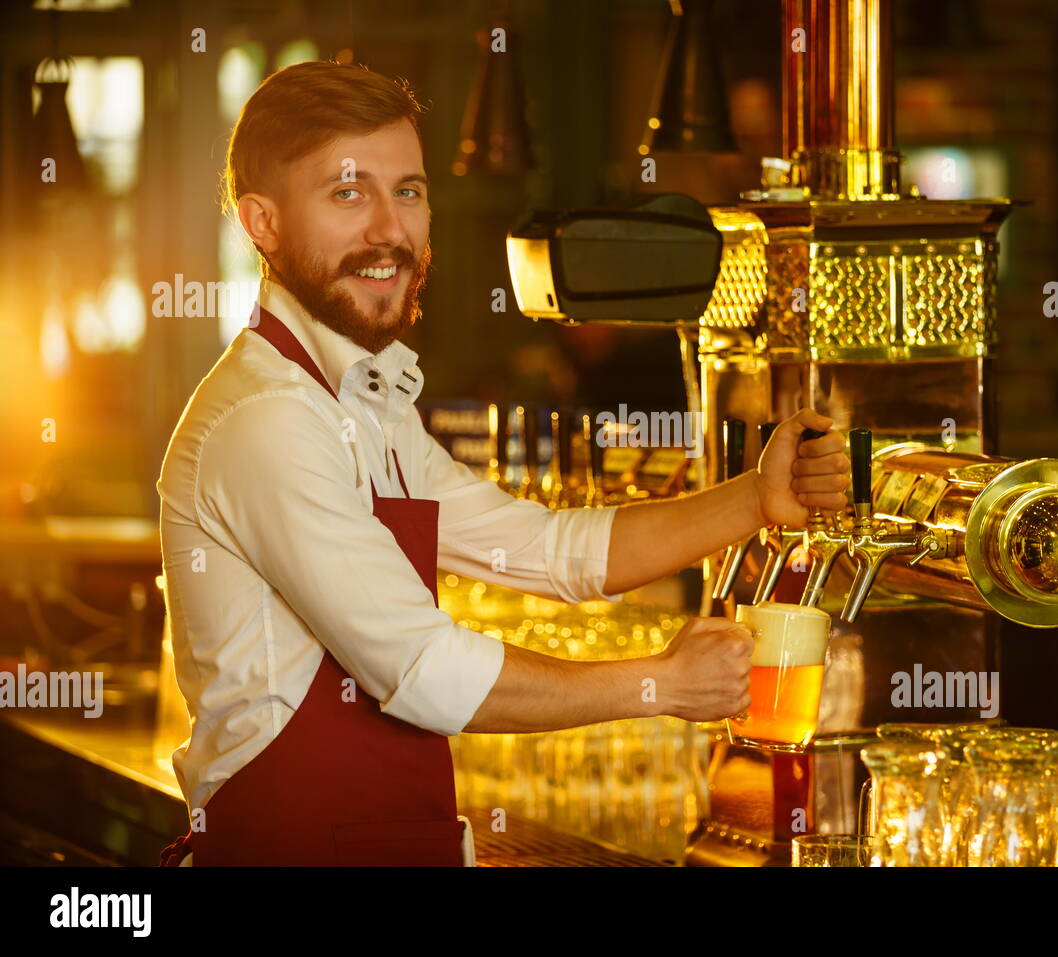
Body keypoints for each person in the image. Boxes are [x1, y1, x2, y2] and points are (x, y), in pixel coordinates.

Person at [156, 60, 850, 866]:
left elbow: (549, 550)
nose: (389, 229)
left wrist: (755, 500)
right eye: (347, 193)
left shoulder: (358, 402)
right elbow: (422, 667)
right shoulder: (267, 418)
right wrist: (657, 682)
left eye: (407, 190)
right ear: (262, 223)